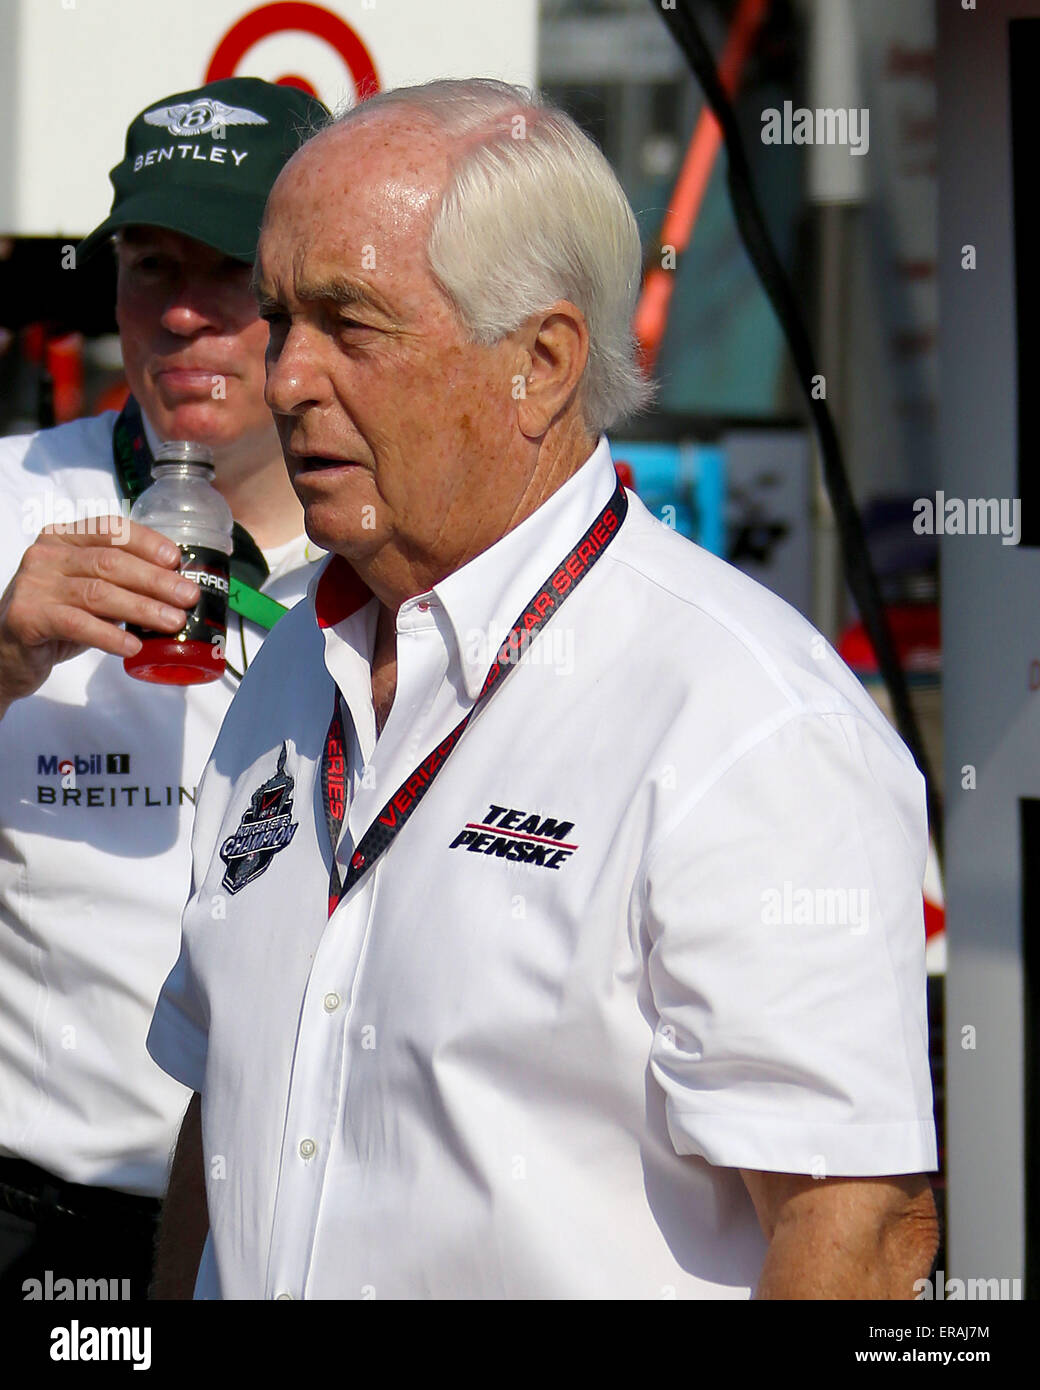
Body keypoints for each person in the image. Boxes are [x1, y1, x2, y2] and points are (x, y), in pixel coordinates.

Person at [148, 78, 939, 1300]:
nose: (288, 376)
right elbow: (230, 1112)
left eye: (348, 324)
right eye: (277, 317)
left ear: (540, 362)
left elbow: (859, 1227)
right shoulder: (293, 657)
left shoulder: (744, 717)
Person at [0, 77, 328, 1301]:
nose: (183, 315)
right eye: (149, 266)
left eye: (229, 271)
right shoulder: (14, 499)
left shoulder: (398, 541)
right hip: (51, 1227)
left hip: (303, 1229)